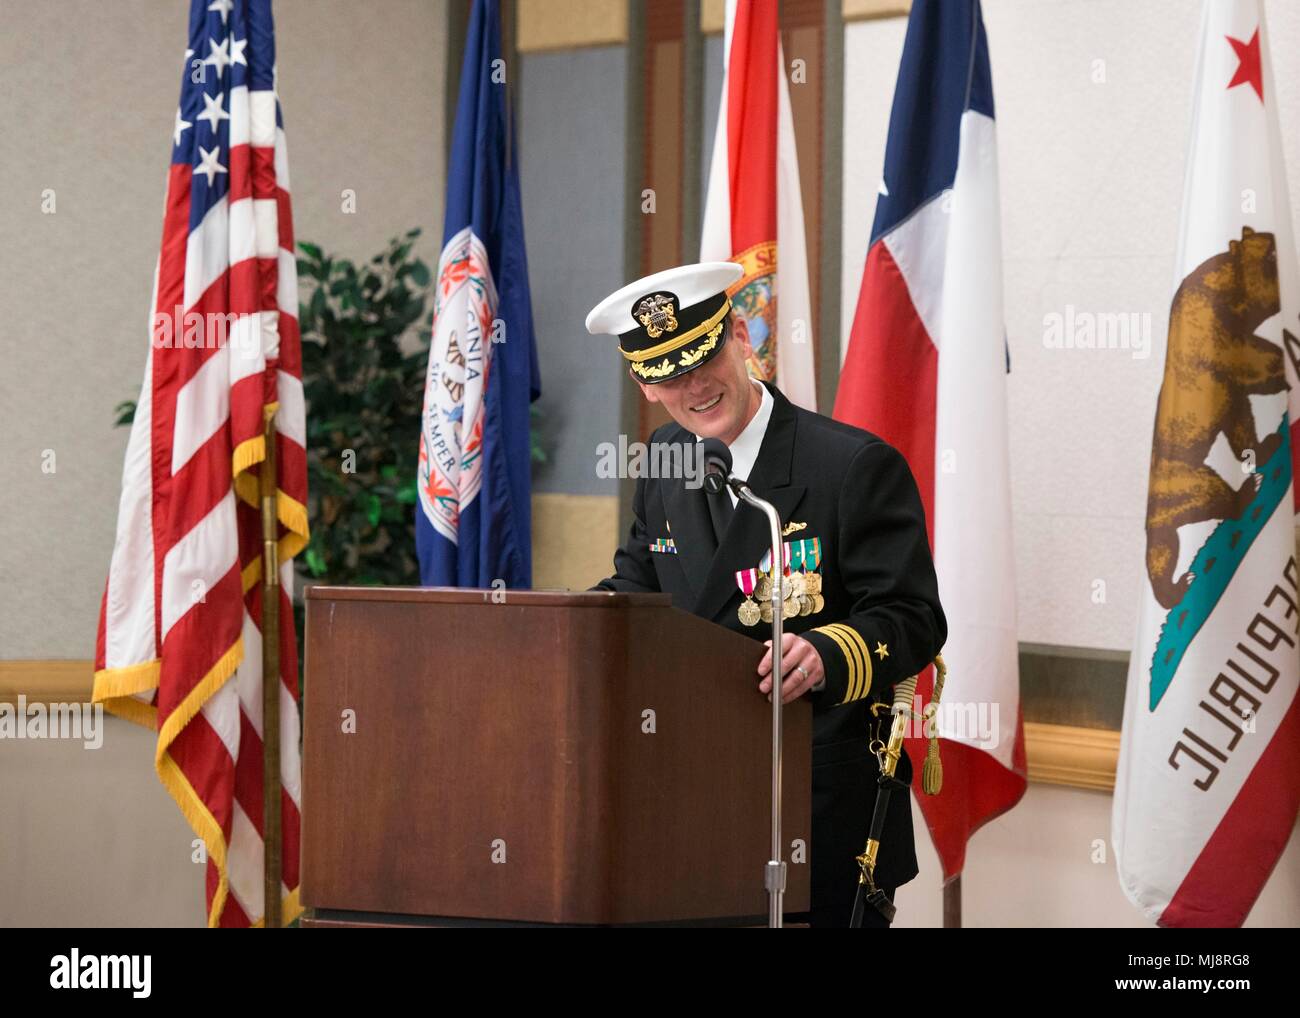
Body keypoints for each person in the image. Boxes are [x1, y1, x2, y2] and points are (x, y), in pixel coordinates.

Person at [585, 262, 947, 928]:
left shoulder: (849, 466)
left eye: (703, 359)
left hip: (814, 803)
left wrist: (825, 653)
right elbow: (635, 591)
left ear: (743, 338)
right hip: (688, 801)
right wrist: (567, 632)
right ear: (643, 383)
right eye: (669, 375)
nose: (695, 388)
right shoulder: (666, 459)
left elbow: (913, 617)